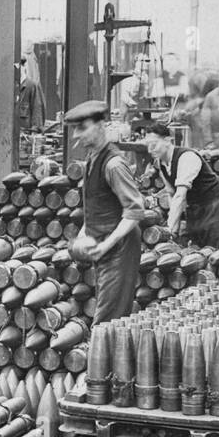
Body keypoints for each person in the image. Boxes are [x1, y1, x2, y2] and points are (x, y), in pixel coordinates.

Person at [66, 100, 146, 322]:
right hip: (104, 248)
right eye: (74, 128)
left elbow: (135, 211)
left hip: (119, 249)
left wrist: (104, 246)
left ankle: (106, 356)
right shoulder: (91, 159)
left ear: (101, 126)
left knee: (108, 319)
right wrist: (84, 235)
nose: (75, 135)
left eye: (82, 128)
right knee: (108, 313)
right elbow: (95, 207)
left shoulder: (113, 165)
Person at [141, 121, 219, 248]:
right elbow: (171, 194)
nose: (150, 150)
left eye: (154, 145)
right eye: (148, 145)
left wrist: (169, 227)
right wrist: (174, 230)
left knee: (214, 251)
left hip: (214, 208)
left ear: (167, 140)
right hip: (194, 210)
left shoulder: (187, 157)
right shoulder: (161, 163)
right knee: (195, 250)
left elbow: (180, 196)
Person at [16, 62, 47, 132]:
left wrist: (35, 131)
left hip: (27, 136)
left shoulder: (32, 86)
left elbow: (37, 111)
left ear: (23, 67)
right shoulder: (11, 86)